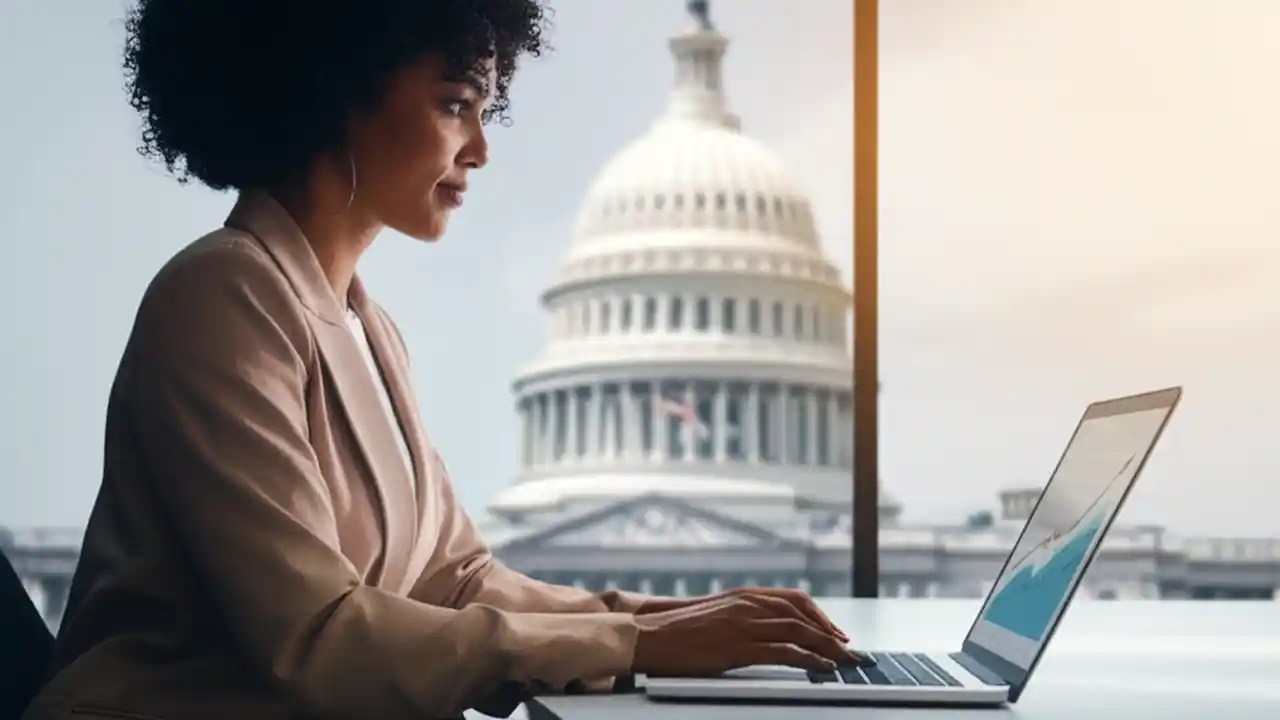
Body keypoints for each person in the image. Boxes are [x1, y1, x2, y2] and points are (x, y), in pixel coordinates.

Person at [22, 1, 865, 719]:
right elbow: (318, 637)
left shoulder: (366, 324)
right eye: (457, 104)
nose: (481, 149)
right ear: (335, 87)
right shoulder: (220, 296)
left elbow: (455, 579)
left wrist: (673, 618)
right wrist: (638, 640)